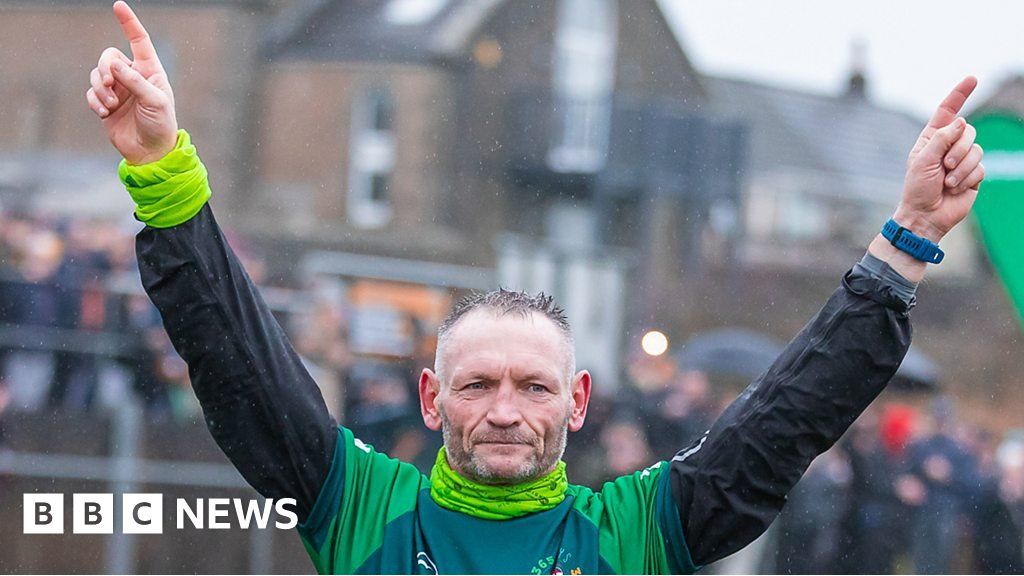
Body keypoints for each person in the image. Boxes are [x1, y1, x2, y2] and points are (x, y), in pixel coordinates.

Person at [84, 3, 986, 573]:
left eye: (533, 385)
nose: (507, 410)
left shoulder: (635, 530)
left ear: (579, 400)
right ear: (432, 399)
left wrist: (904, 243)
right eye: (478, 384)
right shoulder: (359, 503)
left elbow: (786, 419)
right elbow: (237, 361)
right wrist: (163, 169)